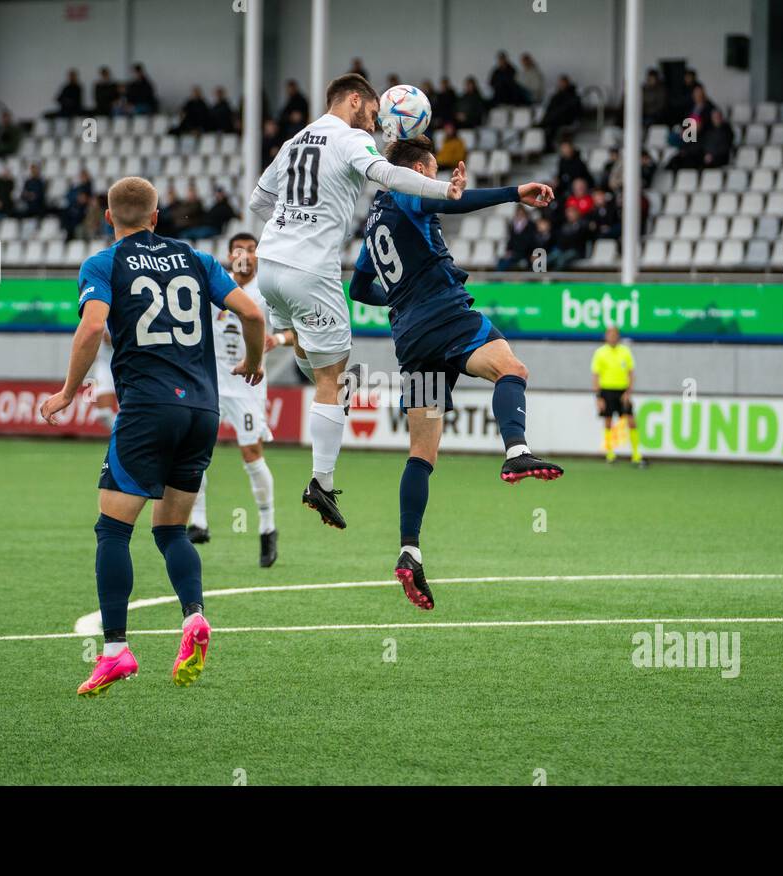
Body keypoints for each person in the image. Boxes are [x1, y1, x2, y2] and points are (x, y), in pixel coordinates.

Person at [40, 176, 265, 696]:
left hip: (147, 409)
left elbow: (93, 328)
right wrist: (253, 360)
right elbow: (251, 312)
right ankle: (193, 618)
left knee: (113, 530)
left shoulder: (102, 264)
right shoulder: (197, 258)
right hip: (203, 411)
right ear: (157, 216)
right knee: (170, 531)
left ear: (107, 218)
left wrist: (69, 391)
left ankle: (117, 651)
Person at [347, 135, 561, 610]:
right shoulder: (408, 193)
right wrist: (514, 191)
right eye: (431, 172)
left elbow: (360, 286)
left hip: (410, 338)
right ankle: (517, 449)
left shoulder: (375, 217)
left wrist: (400, 299)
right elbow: (458, 202)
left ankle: (409, 549)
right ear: (419, 171)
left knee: (422, 452)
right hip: (445, 315)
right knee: (512, 367)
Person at [249, 73, 465, 530]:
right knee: (336, 379)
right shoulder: (347, 138)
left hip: (269, 264)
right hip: (311, 270)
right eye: (371, 112)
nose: (375, 122)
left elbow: (259, 200)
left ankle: (298, 353)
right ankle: (321, 483)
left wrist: (292, 227)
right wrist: (443, 189)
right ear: (353, 100)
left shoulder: (295, 140)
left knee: (313, 358)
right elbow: (386, 174)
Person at [189, 233, 293, 567]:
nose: (245, 255)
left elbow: (298, 330)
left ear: (258, 256)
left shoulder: (268, 292)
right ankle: (199, 522)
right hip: (212, 384)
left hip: (248, 386)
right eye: (239, 249)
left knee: (251, 454)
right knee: (193, 449)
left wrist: (277, 337)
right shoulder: (216, 288)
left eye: (251, 249)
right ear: (230, 255)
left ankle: (267, 528)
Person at [592, 325, 642, 466]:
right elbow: (596, 376)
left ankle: (636, 455)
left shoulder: (625, 352)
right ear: (606, 336)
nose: (612, 337)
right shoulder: (600, 353)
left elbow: (631, 373)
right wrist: (598, 396)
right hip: (606, 390)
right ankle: (610, 455)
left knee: (631, 421)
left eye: (615, 334)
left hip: (622, 392)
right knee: (608, 421)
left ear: (618, 336)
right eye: (610, 334)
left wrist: (628, 392)